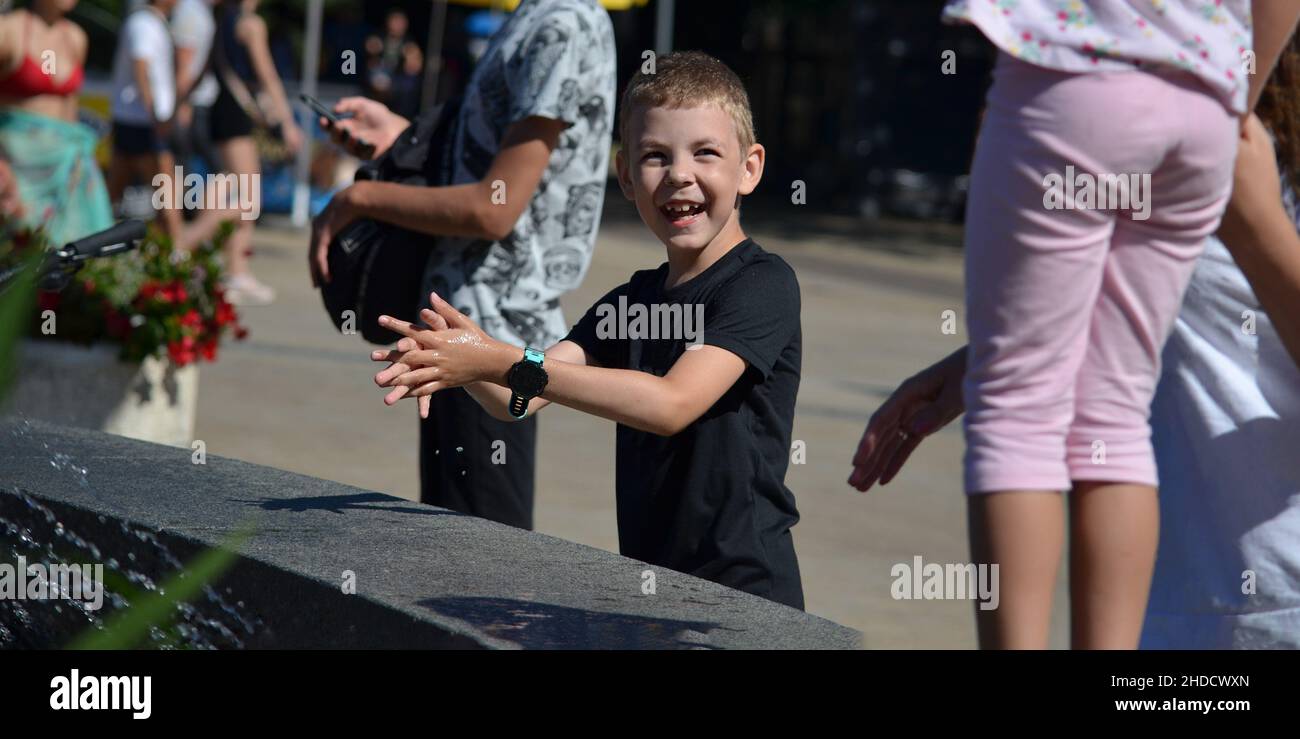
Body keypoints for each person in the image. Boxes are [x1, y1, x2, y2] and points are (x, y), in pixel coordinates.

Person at [857, 0, 1300, 650]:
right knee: (1109, 421)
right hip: (1182, 621)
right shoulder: (1215, 117)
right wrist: (977, 358)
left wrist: (1259, 222)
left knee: (1017, 420)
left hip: (1275, 610)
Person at [370, 52, 807, 610]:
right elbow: (517, 399)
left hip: (747, 599)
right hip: (654, 591)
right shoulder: (631, 300)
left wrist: (492, 359)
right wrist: (454, 358)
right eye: (655, 156)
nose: (679, 174)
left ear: (749, 167)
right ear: (625, 175)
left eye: (705, 153)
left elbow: (671, 404)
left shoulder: (761, 284)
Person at [310, 0, 616, 532]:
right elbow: (494, 169)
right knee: (449, 544)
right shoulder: (533, 16)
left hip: (490, 342)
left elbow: (493, 211)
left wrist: (358, 199)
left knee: (480, 562)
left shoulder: (563, 23)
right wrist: (400, 135)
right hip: (462, 332)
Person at [180, 0, 301, 305]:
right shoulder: (251, 24)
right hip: (237, 114)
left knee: (227, 183)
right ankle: (188, 247)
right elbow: (267, 74)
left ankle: (228, 267)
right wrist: (286, 121)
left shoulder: (221, 18)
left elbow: (207, 68)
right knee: (248, 198)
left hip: (219, 108)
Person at [0, 0, 111, 245]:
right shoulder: (8, 30)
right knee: (22, 261)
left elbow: (70, 109)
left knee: (78, 258)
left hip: (69, 168)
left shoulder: (75, 37)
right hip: (20, 173)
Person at [106, 0, 183, 242]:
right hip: (141, 121)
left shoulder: (153, 23)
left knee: (115, 194)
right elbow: (142, 67)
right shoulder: (144, 24)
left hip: (138, 119)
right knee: (166, 194)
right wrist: (155, 115)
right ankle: (177, 254)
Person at [170, 0, 221, 179]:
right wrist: (182, 104)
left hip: (198, 100)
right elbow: (183, 66)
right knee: (212, 170)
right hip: (193, 102)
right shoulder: (190, 12)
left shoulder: (201, 11)